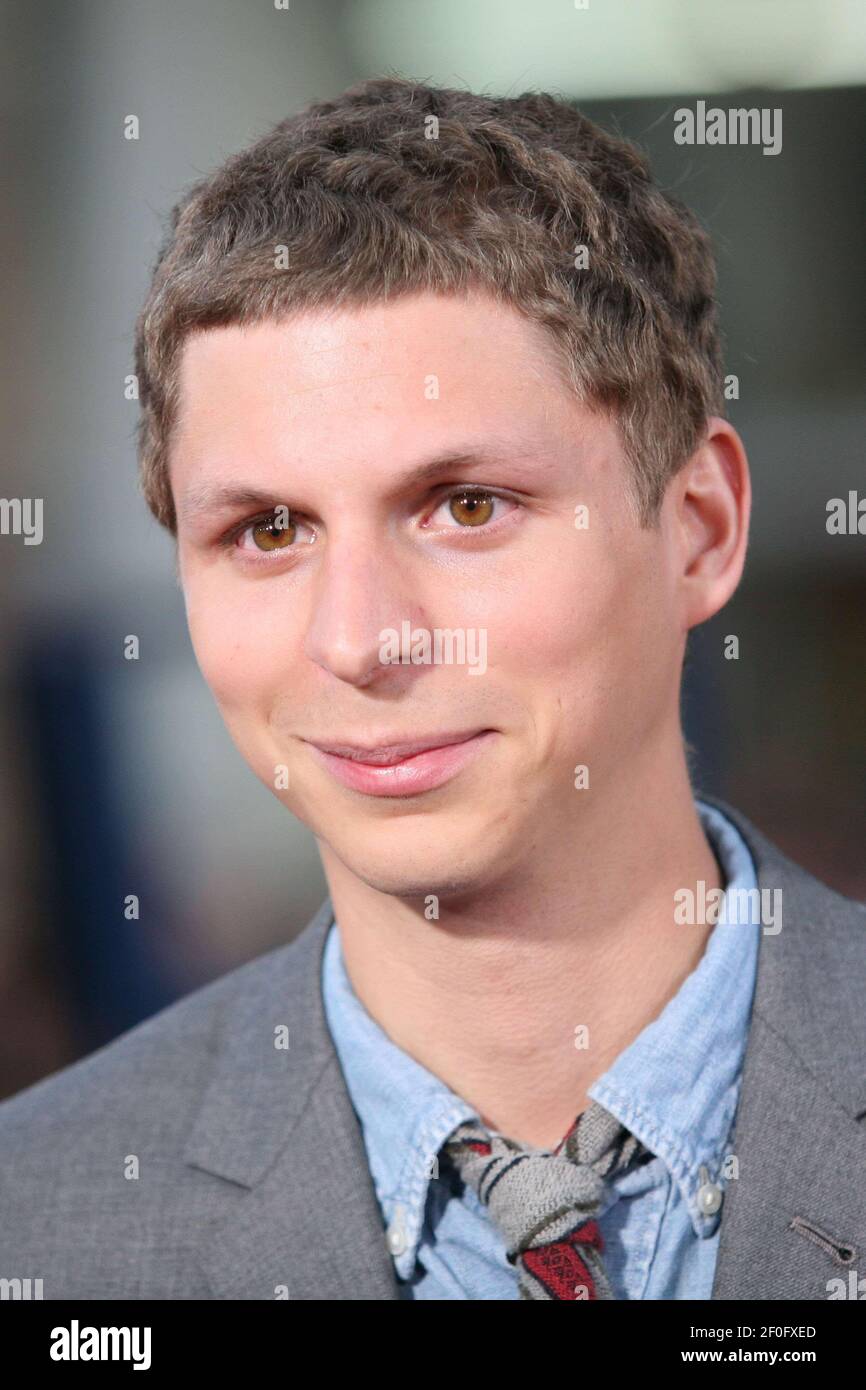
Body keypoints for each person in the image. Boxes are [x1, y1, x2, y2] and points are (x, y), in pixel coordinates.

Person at [1, 77, 864, 1302]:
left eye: (465, 508)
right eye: (266, 530)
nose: (358, 640)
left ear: (699, 528)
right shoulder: (37, 1232)